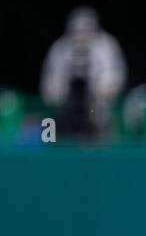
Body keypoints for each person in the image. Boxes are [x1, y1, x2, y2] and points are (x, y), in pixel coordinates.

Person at [39, 7, 127, 140]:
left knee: (100, 115)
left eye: (86, 29)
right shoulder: (60, 48)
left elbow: (113, 77)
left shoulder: (107, 46)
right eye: (77, 30)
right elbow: (51, 81)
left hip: (98, 106)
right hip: (67, 106)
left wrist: (102, 92)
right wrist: (57, 93)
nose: (81, 35)